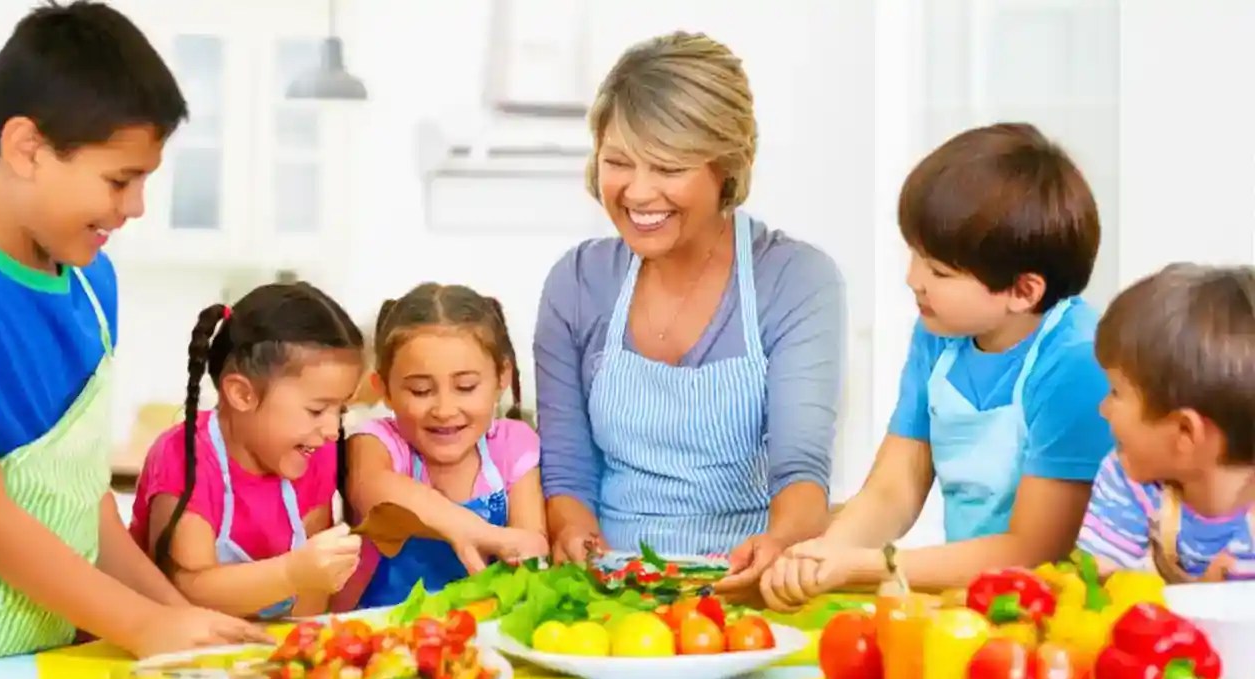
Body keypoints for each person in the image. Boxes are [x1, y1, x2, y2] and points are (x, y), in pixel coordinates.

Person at [0, 1, 267, 659]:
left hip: (41, 668)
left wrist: (185, 623)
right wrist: (139, 627)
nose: (135, 207)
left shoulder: (92, 283)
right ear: (27, 149)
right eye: (119, 179)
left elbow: (86, 506)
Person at [534, 31, 844, 595]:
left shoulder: (797, 280)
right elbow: (567, 470)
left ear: (726, 165)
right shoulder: (577, 283)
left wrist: (778, 545)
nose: (638, 192)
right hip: (612, 588)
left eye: (669, 167)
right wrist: (575, 531)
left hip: (748, 589)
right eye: (618, 162)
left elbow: (800, 472)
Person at [762, 123, 1113, 610]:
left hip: (1060, 612)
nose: (913, 280)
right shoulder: (940, 332)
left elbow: (1034, 550)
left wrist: (866, 565)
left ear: (1024, 291)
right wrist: (827, 553)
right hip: (967, 604)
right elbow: (895, 486)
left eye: (939, 271)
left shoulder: (1076, 362)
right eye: (915, 256)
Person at [129, 282, 366, 618]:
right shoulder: (186, 456)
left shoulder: (315, 453)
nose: (332, 431)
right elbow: (186, 591)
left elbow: (312, 597)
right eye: (316, 411)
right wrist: (291, 574)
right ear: (242, 394)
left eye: (340, 411)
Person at [334, 283, 548, 610]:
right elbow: (374, 492)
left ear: (501, 377)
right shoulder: (378, 441)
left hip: (484, 629)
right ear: (385, 389)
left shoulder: (512, 445)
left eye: (466, 387)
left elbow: (528, 545)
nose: (445, 409)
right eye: (420, 390)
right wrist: (479, 534)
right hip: (384, 631)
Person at [1078, 264, 1255, 582]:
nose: (1103, 409)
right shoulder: (1129, 479)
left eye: (1116, 393)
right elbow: (1094, 584)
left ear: (1185, 433)